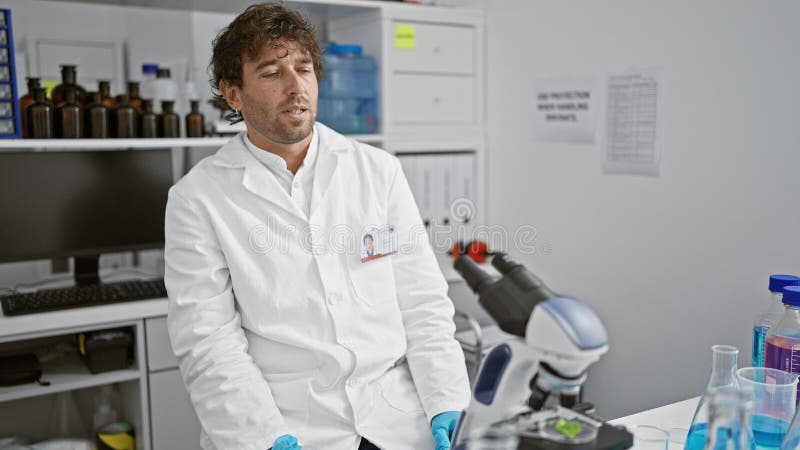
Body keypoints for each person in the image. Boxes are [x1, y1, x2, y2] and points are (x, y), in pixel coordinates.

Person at [163, 3, 470, 450]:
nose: (296, 87)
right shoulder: (197, 198)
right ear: (233, 94)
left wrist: (446, 398)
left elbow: (422, 302)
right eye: (272, 72)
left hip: (394, 422)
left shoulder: (377, 170)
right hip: (289, 427)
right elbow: (209, 343)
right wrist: (264, 437)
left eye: (304, 69)